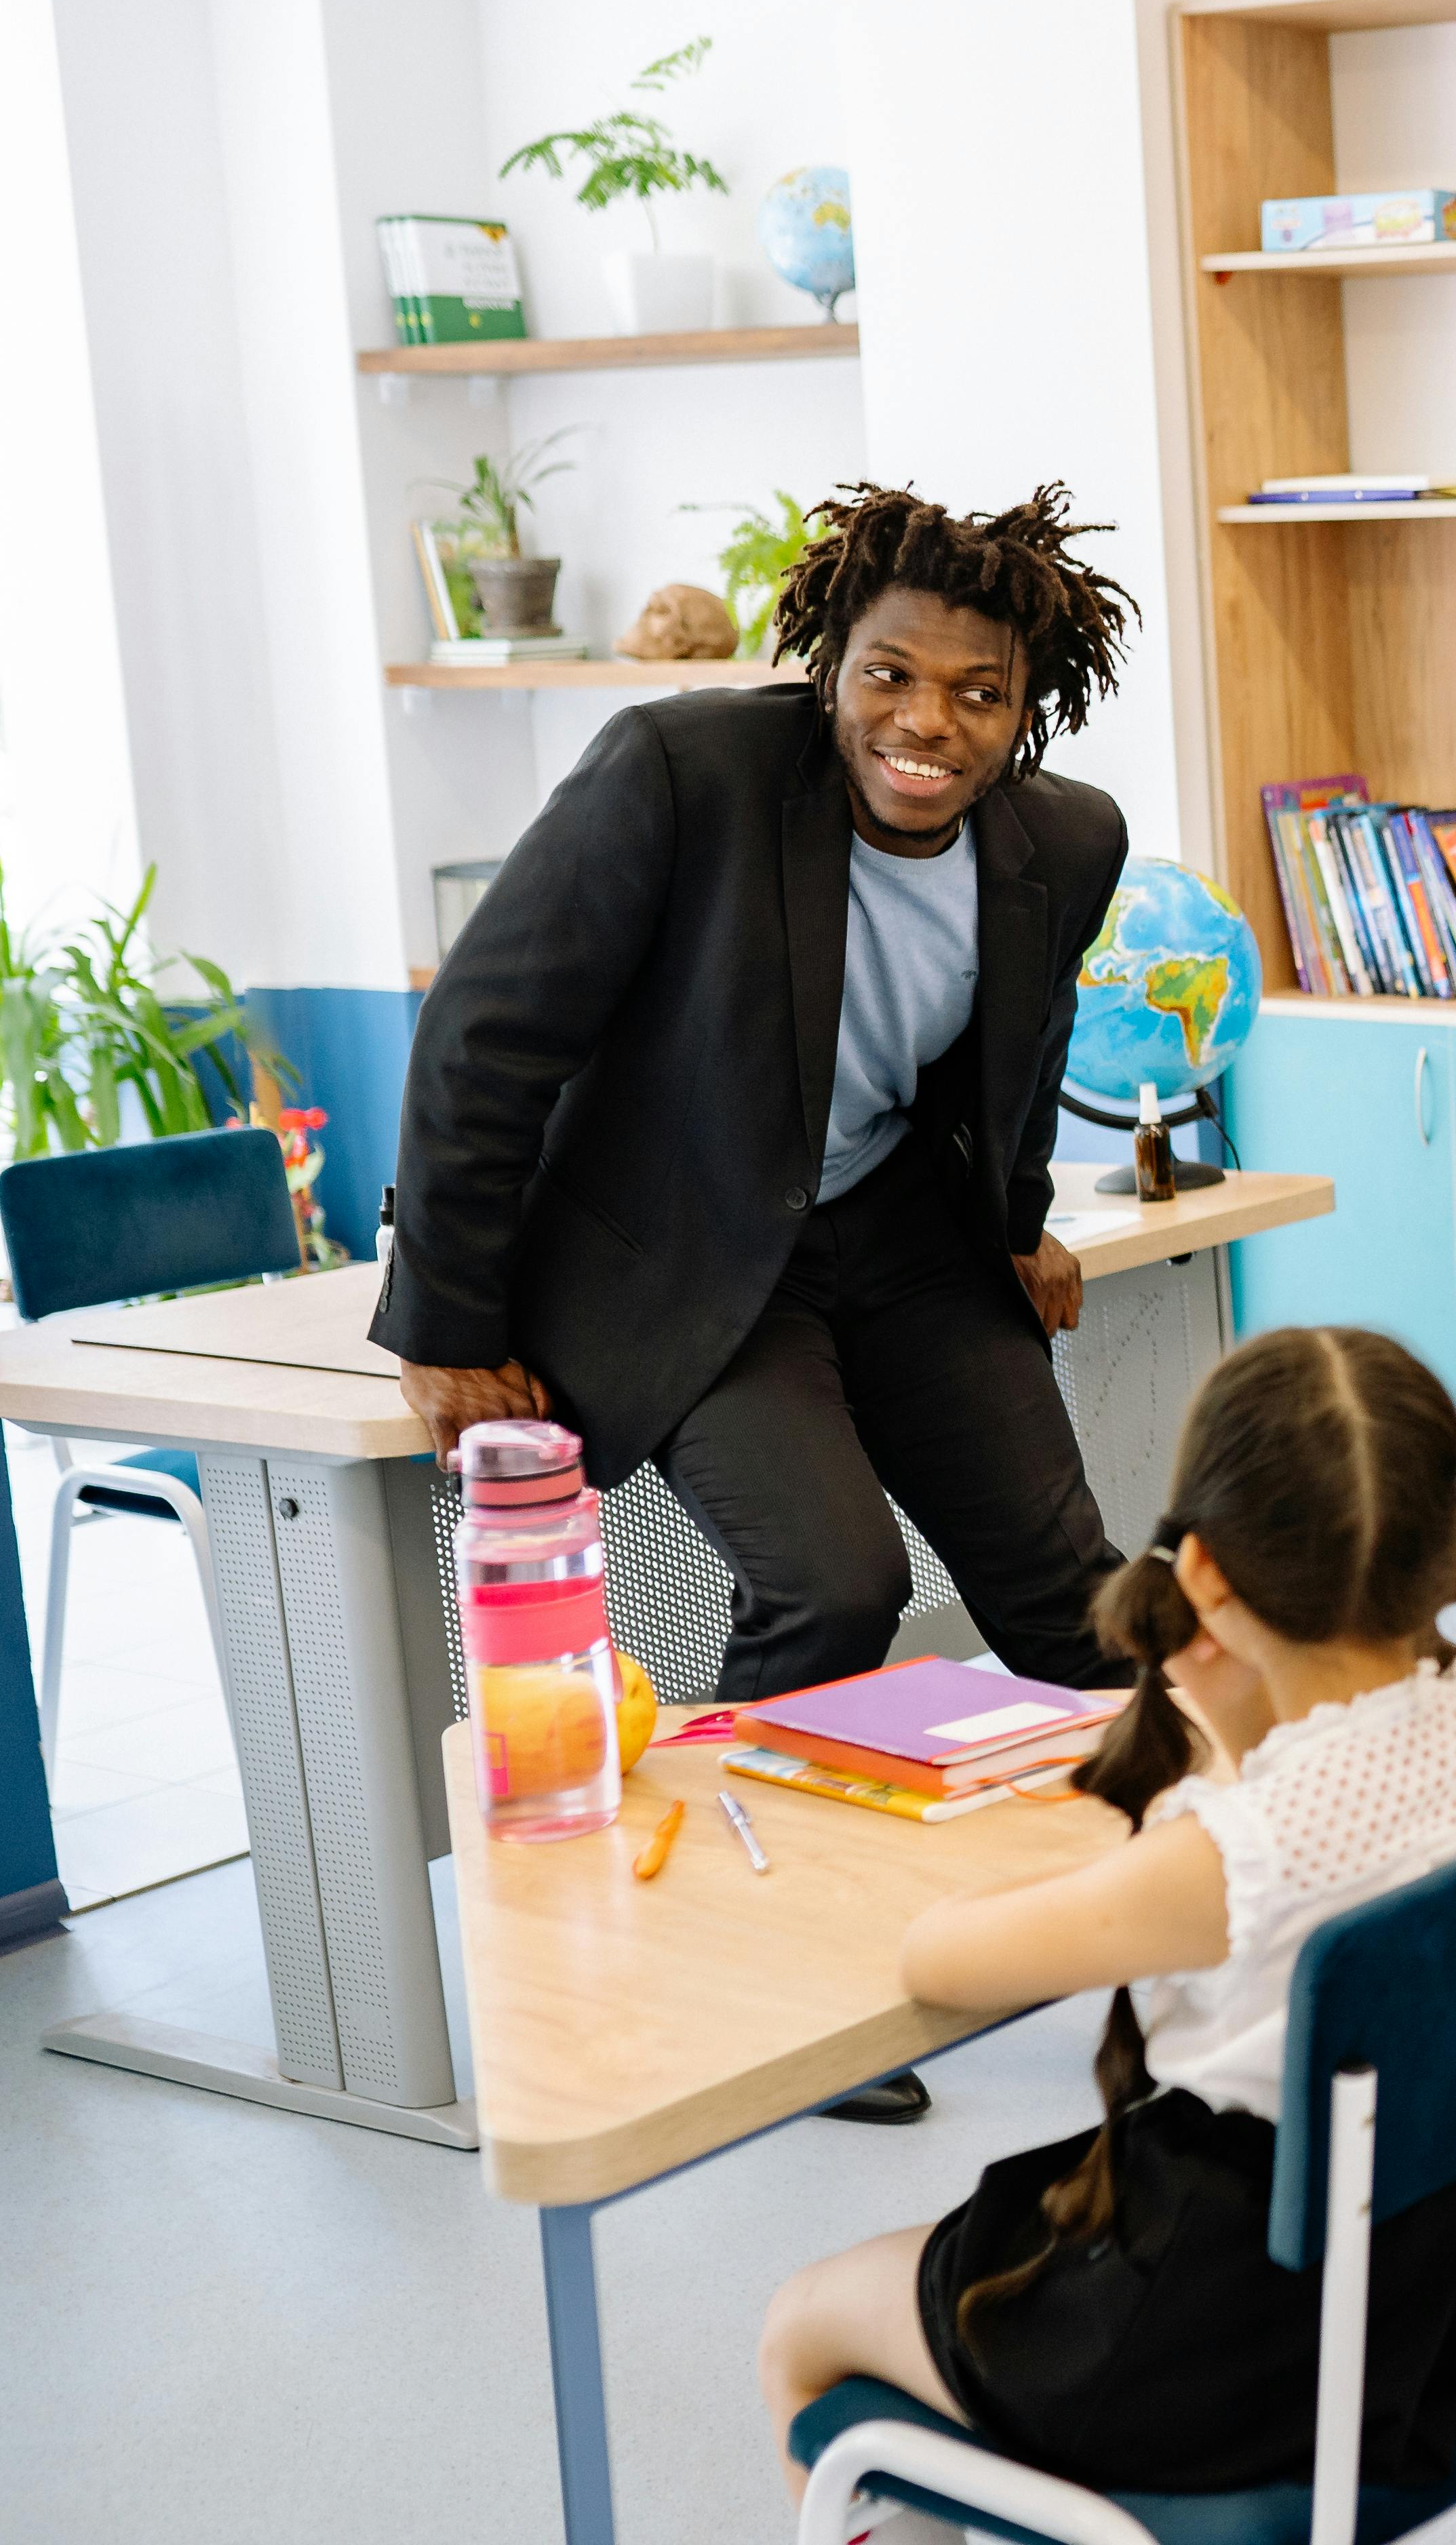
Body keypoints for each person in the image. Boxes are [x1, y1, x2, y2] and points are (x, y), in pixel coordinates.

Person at [755, 1326, 1456, 2506]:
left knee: (804, 2322)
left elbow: (937, 1959)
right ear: (1453, 1535)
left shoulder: (1243, 1853)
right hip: (1445, 2310)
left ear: (1204, 1583)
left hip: (1222, 2357)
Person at [376, 481, 1139, 1707]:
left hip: (899, 1234)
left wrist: (1013, 1221)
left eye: (980, 693)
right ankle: (737, 1884)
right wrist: (445, 1329)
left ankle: (1181, 1876)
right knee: (836, 1589)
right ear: (832, 666)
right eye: (890, 674)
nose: (927, 721)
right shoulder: (683, 772)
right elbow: (483, 1037)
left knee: (1077, 1596)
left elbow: (1025, 1046)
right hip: (686, 1244)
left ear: (1027, 710)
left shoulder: (1069, 841)